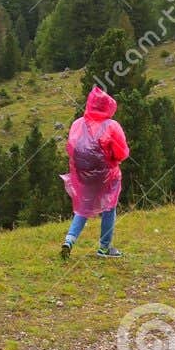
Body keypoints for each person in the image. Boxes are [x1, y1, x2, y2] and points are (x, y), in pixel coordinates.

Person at [59, 84, 129, 260]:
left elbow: (71, 147)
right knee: (109, 207)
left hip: (84, 175)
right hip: (108, 175)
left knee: (83, 207)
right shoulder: (111, 126)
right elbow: (122, 153)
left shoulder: (77, 124)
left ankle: (69, 240)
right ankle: (104, 248)